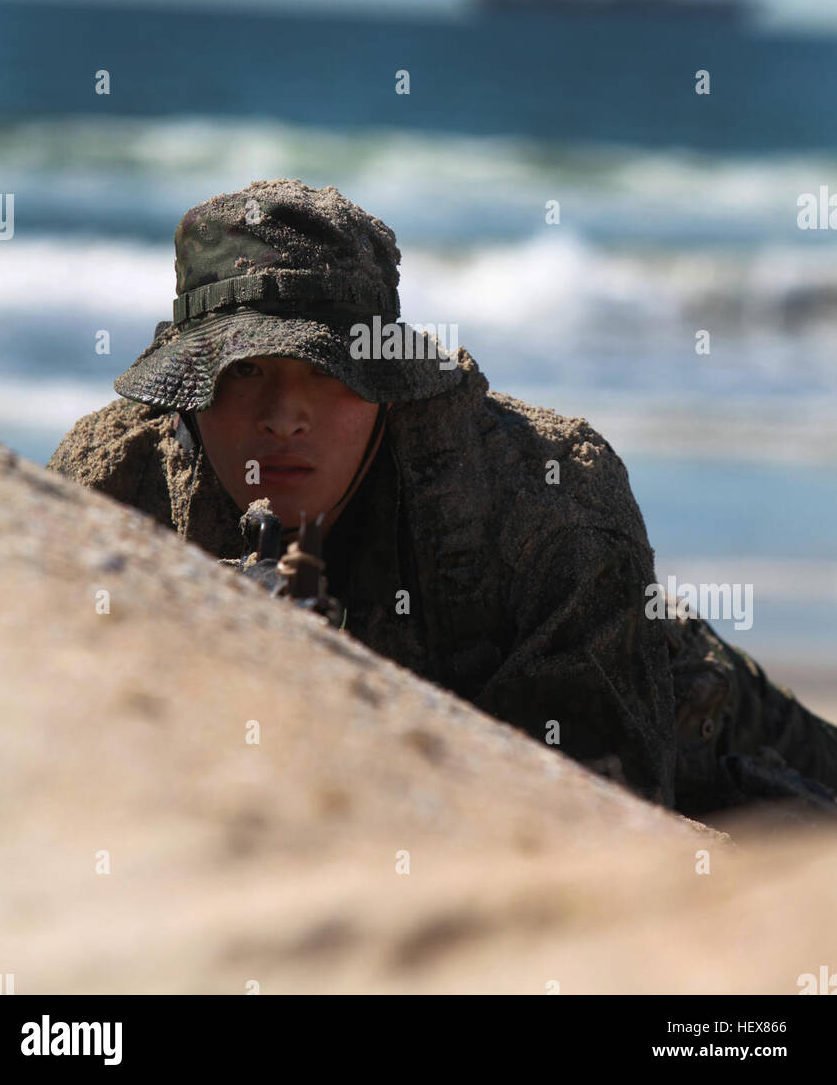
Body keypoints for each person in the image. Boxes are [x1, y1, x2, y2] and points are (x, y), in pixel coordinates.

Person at [48, 178, 837, 821]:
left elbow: (604, 812)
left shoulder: (548, 494)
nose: (285, 415)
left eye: (329, 370)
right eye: (245, 370)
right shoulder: (109, 481)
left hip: (702, 722)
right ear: (186, 394)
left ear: (385, 389)